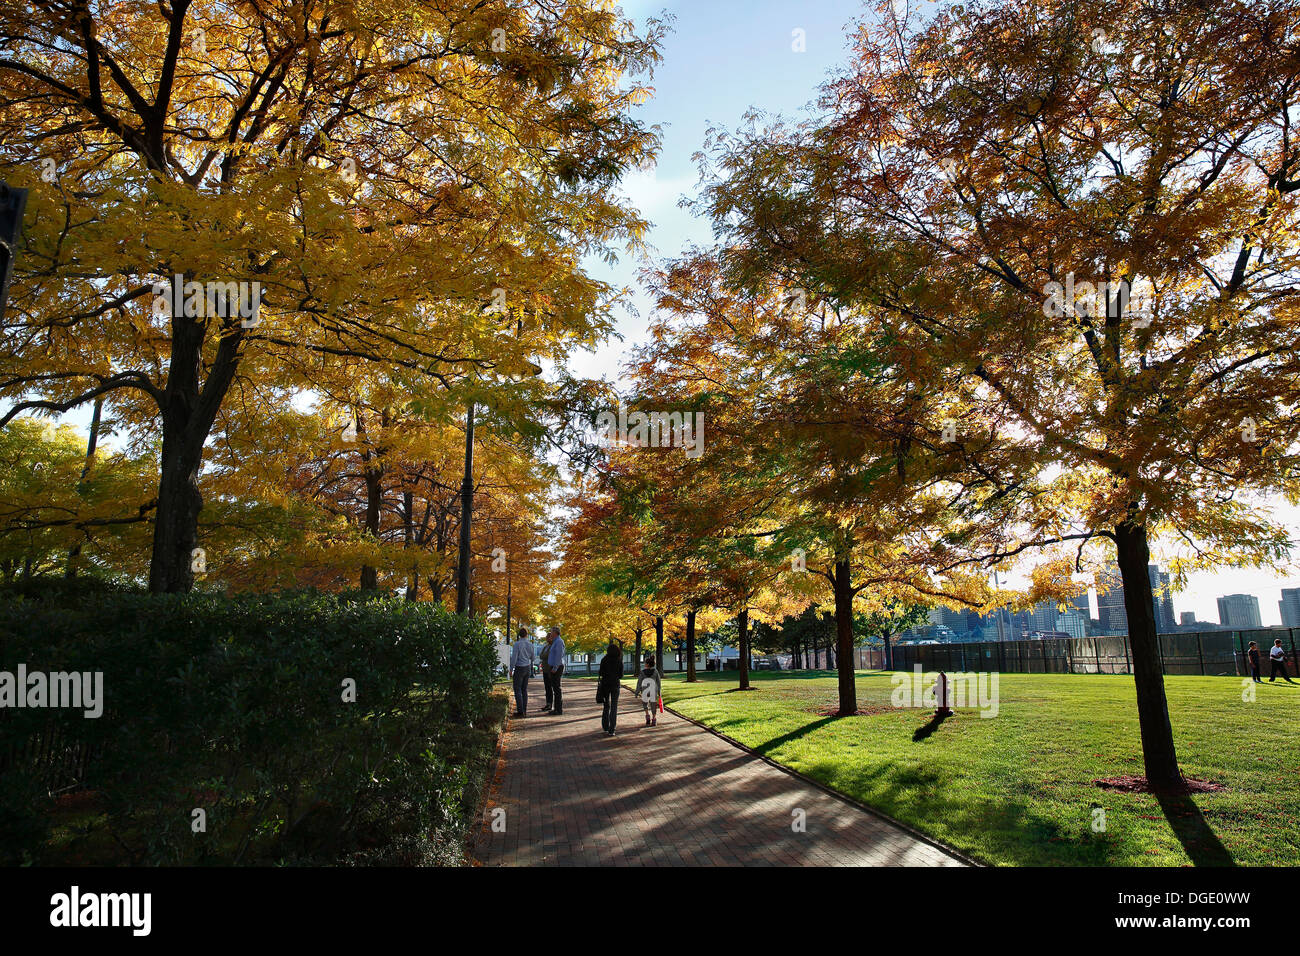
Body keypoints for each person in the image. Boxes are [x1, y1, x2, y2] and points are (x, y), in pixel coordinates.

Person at [598, 639, 623, 736]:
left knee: (606, 706)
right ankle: (612, 729)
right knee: (614, 707)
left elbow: (600, 672)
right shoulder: (619, 660)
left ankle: (605, 726)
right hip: (615, 685)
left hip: (605, 685)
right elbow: (621, 675)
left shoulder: (604, 659)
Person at [509, 627, 536, 716]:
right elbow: (533, 658)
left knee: (517, 688)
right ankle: (524, 710)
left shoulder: (517, 644)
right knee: (524, 689)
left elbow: (514, 658)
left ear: (519, 635)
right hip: (527, 667)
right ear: (526, 634)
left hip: (519, 667)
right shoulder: (530, 644)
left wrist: (510, 669)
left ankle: (520, 710)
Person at [635, 653, 662, 727]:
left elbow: (639, 683)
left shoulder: (642, 672)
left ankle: (647, 716)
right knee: (653, 704)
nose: (644, 664)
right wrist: (659, 692)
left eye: (645, 663)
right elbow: (659, 682)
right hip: (653, 689)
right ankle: (654, 719)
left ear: (647, 664)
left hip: (645, 690)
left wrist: (637, 692)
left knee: (645, 703)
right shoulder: (656, 671)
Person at [545, 625, 566, 714]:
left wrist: (555, 667)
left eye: (552, 632)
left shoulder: (559, 642)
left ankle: (558, 710)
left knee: (557, 688)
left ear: (555, 632)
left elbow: (558, 655)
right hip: (554, 666)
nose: (551, 634)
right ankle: (556, 709)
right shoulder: (555, 641)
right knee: (555, 688)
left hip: (557, 667)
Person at [539, 629, 556, 712]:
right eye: (547, 637)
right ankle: (548, 703)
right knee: (547, 687)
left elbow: (546, 655)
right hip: (545, 669)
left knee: (551, 687)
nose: (547, 639)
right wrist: (544, 656)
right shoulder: (546, 646)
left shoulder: (553, 646)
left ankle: (551, 704)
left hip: (550, 669)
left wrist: (544, 656)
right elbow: (541, 655)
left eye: (549, 637)